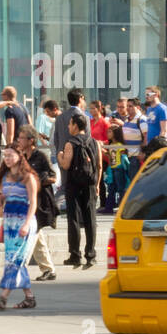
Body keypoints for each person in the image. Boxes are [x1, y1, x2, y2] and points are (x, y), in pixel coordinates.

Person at [0, 145, 38, 309]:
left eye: (10, 155)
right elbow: (2, 196)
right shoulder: (5, 177)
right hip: (9, 224)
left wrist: (26, 224)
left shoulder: (28, 177)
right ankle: (29, 297)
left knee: (14, 261)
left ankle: (3, 297)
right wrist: (0, 204)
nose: (7, 159)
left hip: (24, 222)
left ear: (20, 155)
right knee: (15, 260)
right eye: (5, 156)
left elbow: (33, 203)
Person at [58, 111, 101, 268]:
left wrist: (60, 155)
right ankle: (91, 254)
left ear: (75, 126)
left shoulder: (70, 143)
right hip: (90, 183)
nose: (69, 127)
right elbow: (99, 165)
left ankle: (75, 255)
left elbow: (66, 165)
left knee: (74, 219)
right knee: (90, 219)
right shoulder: (94, 142)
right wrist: (96, 184)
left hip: (74, 185)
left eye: (70, 124)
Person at [15, 125, 58, 281]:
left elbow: (53, 177)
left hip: (40, 203)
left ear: (31, 140)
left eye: (21, 138)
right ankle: (49, 269)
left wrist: (37, 182)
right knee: (36, 235)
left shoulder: (41, 156)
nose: (18, 140)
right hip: (25, 202)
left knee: (30, 235)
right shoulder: (21, 158)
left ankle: (20, 268)